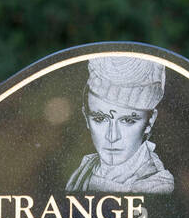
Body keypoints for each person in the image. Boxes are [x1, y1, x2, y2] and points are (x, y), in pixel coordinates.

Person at [65, 56, 174, 194]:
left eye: (128, 120)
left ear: (150, 121)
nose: (112, 136)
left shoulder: (157, 187)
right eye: (99, 118)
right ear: (86, 118)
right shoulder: (86, 167)